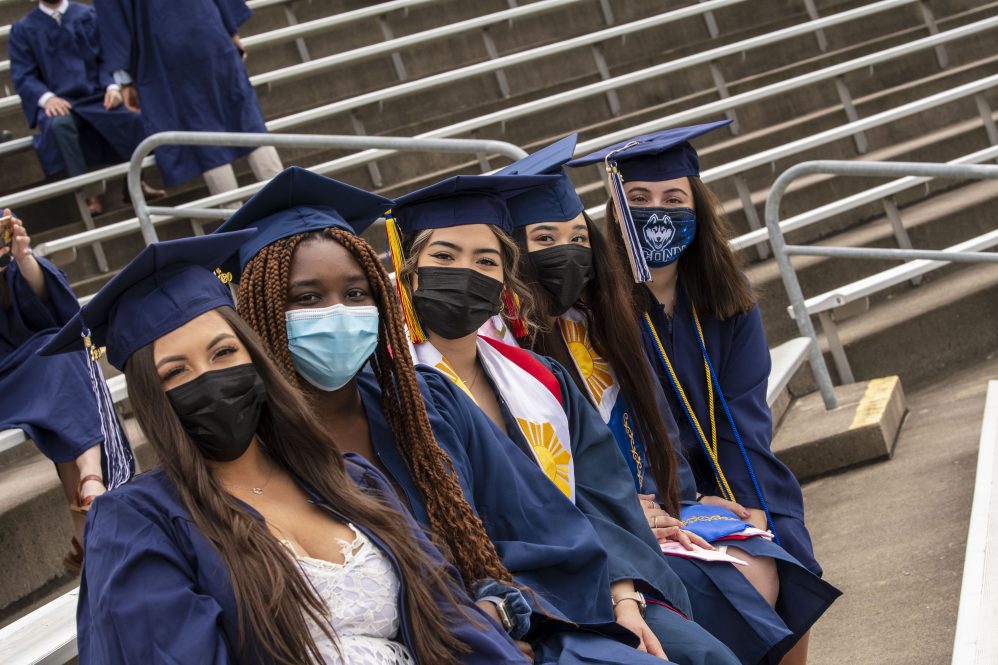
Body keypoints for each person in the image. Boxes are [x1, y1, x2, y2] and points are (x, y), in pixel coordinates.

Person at [216, 166, 712, 664]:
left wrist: (511, 607)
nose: (338, 314)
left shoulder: (425, 399)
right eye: (307, 298)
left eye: (356, 293)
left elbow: (539, 525)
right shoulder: (246, 449)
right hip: (410, 642)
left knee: (699, 651)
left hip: (524, 613)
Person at [41, 230, 528, 664]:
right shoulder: (137, 522)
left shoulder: (348, 478)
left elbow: (444, 615)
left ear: (255, 358)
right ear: (150, 399)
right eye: (176, 371)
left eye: (223, 352)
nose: (210, 379)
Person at [500, 134, 841, 664]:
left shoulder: (726, 302)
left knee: (781, 549)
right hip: (639, 495)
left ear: (698, 207)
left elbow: (744, 421)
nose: (656, 214)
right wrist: (662, 498)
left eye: (674, 200)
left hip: (691, 481)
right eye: (638, 199)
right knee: (741, 576)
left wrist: (749, 501)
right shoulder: (597, 309)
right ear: (613, 213)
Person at [389, 174, 743, 665]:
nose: (466, 272)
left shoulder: (540, 378)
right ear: (409, 272)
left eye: (486, 260)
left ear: (505, 282)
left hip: (589, 581)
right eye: (444, 257)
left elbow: (602, 495)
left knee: (709, 656)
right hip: (504, 605)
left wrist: (624, 595)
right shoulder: (393, 387)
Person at [0, 208, 133, 571]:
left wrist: (23, 258)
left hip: (30, 372)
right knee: (61, 369)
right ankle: (91, 493)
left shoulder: (10, 259)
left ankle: (88, 503)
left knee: (62, 351)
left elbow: (49, 304)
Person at [92, 0, 282, 194]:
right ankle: (288, 202)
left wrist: (124, 79)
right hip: (207, 27)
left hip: (161, 48)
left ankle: (234, 215)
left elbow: (113, 17)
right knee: (245, 118)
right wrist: (230, 30)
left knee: (202, 130)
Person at [8, 0, 164, 214]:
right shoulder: (24, 29)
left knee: (135, 118)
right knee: (59, 125)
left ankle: (134, 184)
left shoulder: (88, 15)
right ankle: (90, 195)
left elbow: (106, 57)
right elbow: (24, 76)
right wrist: (47, 98)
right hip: (62, 102)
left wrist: (112, 86)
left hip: (96, 95)